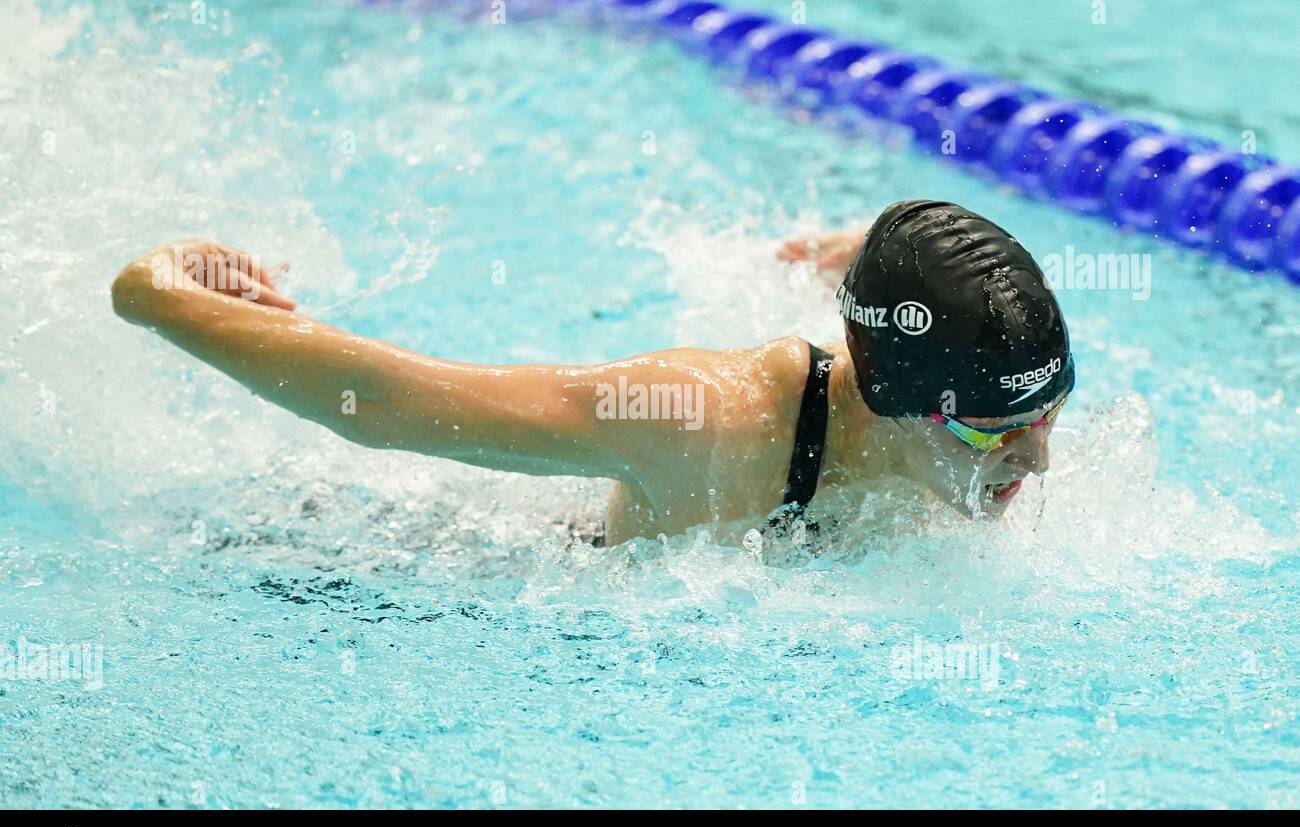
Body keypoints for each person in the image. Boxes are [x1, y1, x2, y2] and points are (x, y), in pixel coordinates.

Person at [110, 200, 1075, 547]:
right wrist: (160, 295)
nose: (1038, 462)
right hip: (402, 563)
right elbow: (393, 404)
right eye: (998, 429)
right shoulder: (707, 421)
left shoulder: (969, 406)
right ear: (894, 398)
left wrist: (863, 248)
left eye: (1049, 414)